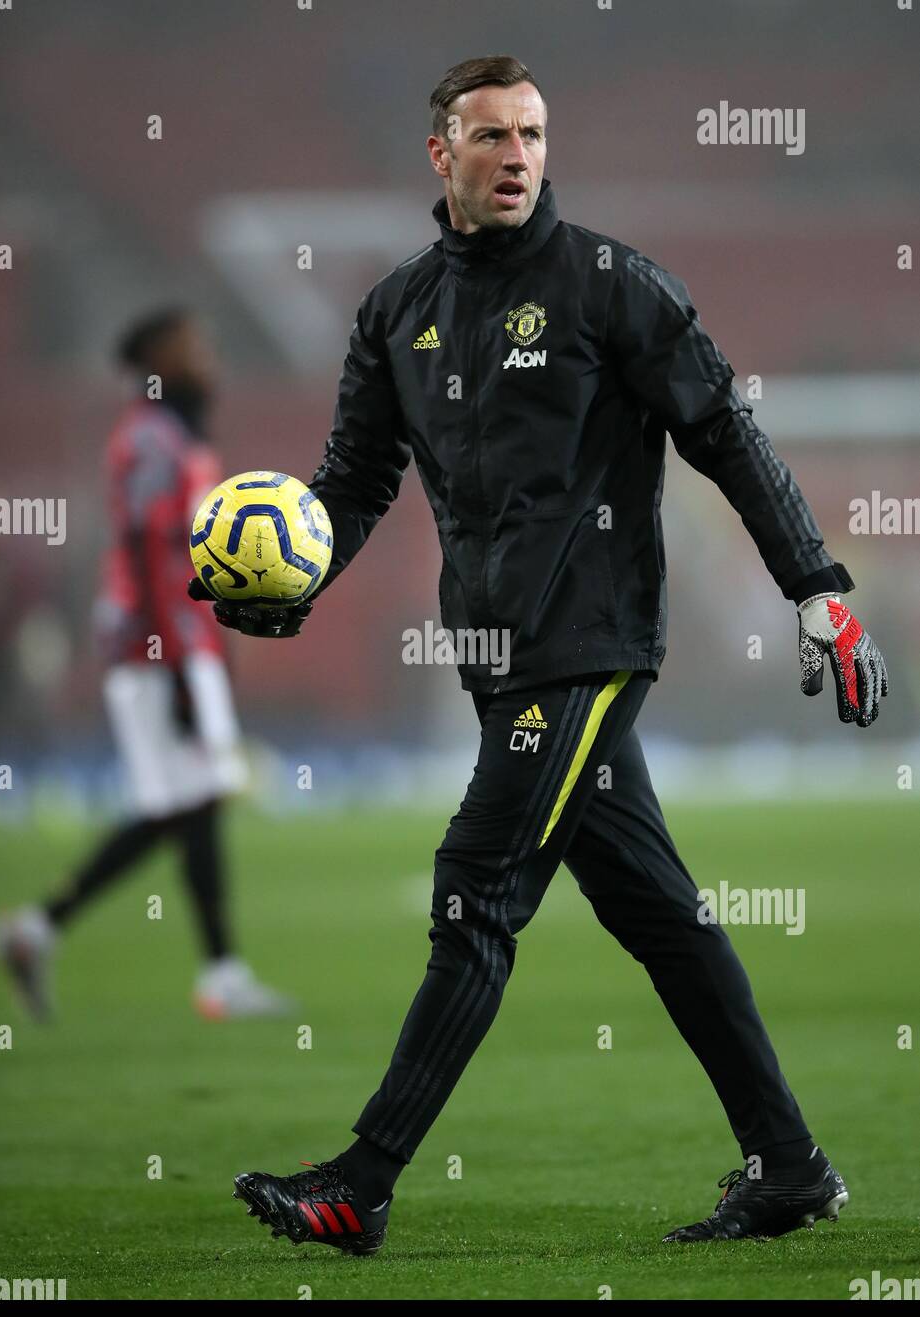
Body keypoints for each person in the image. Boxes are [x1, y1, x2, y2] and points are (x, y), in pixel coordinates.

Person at [194, 57, 887, 1252]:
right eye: (491, 135)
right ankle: (788, 1166)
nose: (516, 154)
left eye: (532, 133)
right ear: (440, 155)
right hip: (494, 656)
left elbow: (722, 429)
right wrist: (298, 574)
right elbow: (353, 484)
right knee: (662, 916)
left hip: (590, 643)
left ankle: (361, 1179)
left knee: (474, 887)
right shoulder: (395, 309)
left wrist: (817, 587)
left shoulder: (611, 286)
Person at [0, 308, 291, 1021]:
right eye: (192, 349)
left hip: (175, 642)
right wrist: (182, 658)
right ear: (157, 360)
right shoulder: (153, 439)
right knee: (183, 803)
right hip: (157, 646)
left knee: (189, 803)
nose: (208, 360)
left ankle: (49, 932)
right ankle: (205, 970)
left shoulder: (168, 432)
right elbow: (147, 552)